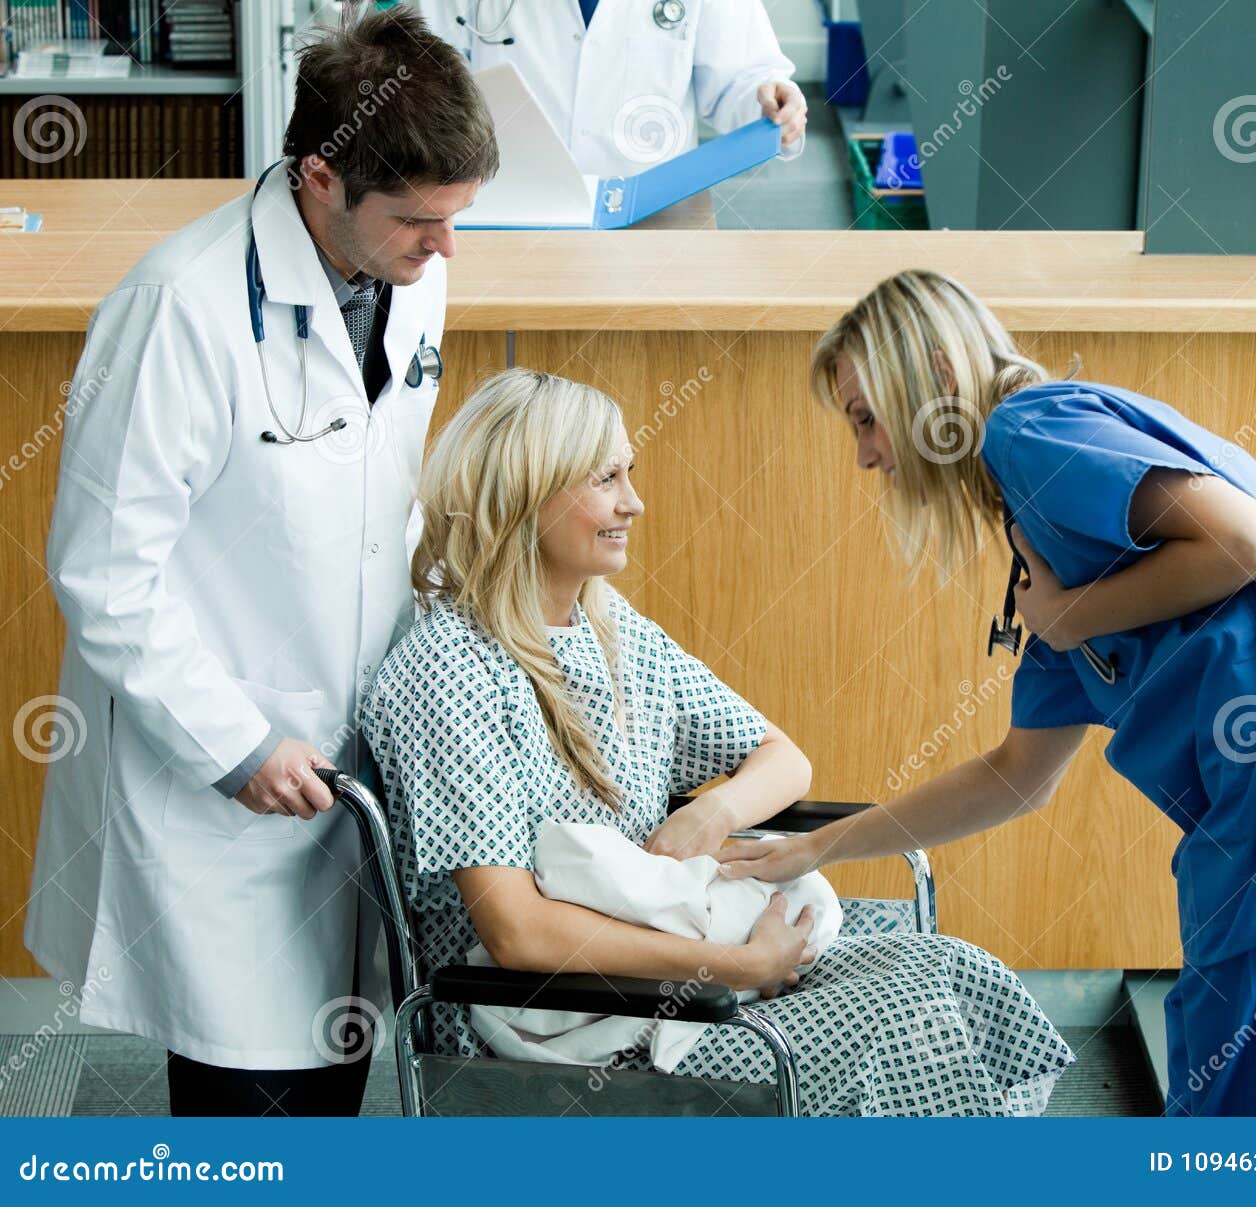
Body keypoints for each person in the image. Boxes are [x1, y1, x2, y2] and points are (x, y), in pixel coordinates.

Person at [713, 269, 1256, 1117]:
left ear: (939, 376)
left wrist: (1069, 614)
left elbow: (1249, 540)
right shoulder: (1045, 531)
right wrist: (816, 848)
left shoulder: (1032, 432)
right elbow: (1018, 775)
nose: (865, 452)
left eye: (866, 416)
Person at [358, 368, 1074, 1115]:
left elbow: (782, 759)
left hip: (659, 970)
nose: (634, 501)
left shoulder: (612, 628)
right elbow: (518, 932)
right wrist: (728, 967)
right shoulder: (449, 669)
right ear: (525, 492)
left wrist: (715, 812)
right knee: (905, 1021)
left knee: (955, 973)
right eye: (606, 478)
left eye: (628, 473)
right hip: (549, 1022)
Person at [24, 7, 498, 1117]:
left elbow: (381, 498)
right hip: (223, 767)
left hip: (350, 755)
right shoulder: (178, 307)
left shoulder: (414, 268)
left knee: (332, 1067)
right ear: (321, 180)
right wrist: (233, 743)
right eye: (422, 222)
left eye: (457, 220)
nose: (446, 252)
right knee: (249, 1096)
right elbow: (103, 571)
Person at [410, 0, 806, 176]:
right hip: (505, 203)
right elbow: (428, 81)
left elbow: (741, 78)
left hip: (654, 204)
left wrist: (771, 104)